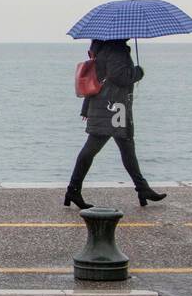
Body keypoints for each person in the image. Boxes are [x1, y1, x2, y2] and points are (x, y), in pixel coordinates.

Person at [64, 39, 168, 208]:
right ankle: (73, 190)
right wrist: (138, 72)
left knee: (126, 146)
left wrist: (87, 108)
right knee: (93, 148)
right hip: (112, 108)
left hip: (108, 106)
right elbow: (119, 76)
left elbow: (99, 77)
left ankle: (142, 189)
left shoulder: (103, 48)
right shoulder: (117, 50)